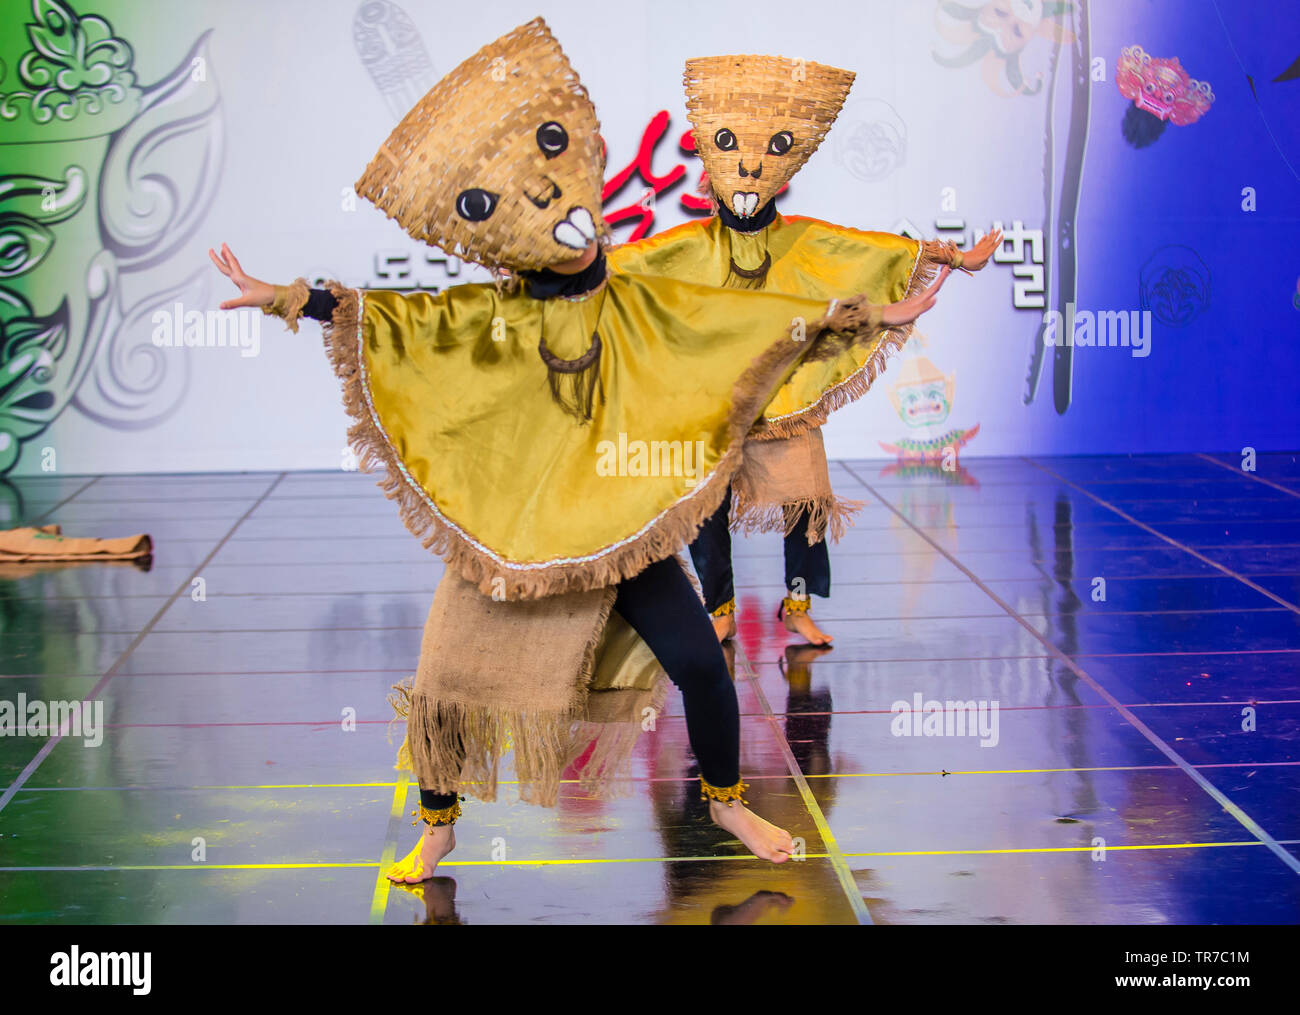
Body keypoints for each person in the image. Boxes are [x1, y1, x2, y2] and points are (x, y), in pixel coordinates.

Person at [210, 18, 949, 884]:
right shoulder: (496, 315)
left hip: (617, 522)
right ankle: (439, 823)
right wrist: (288, 297)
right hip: (518, 533)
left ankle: (725, 799)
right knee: (445, 679)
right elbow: (399, 321)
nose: (569, 224)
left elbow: (746, 317)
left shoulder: (636, 294)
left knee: (704, 671)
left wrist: (859, 311)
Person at [610, 54, 1000, 645]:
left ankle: (796, 603)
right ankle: (718, 609)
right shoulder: (689, 245)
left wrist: (956, 258)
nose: (745, 171)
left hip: (786, 394)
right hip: (714, 402)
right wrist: (541, 266)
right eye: (733, 158)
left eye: (761, 159)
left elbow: (870, 251)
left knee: (806, 498)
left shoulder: (802, 239)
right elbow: (621, 268)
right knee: (706, 506)